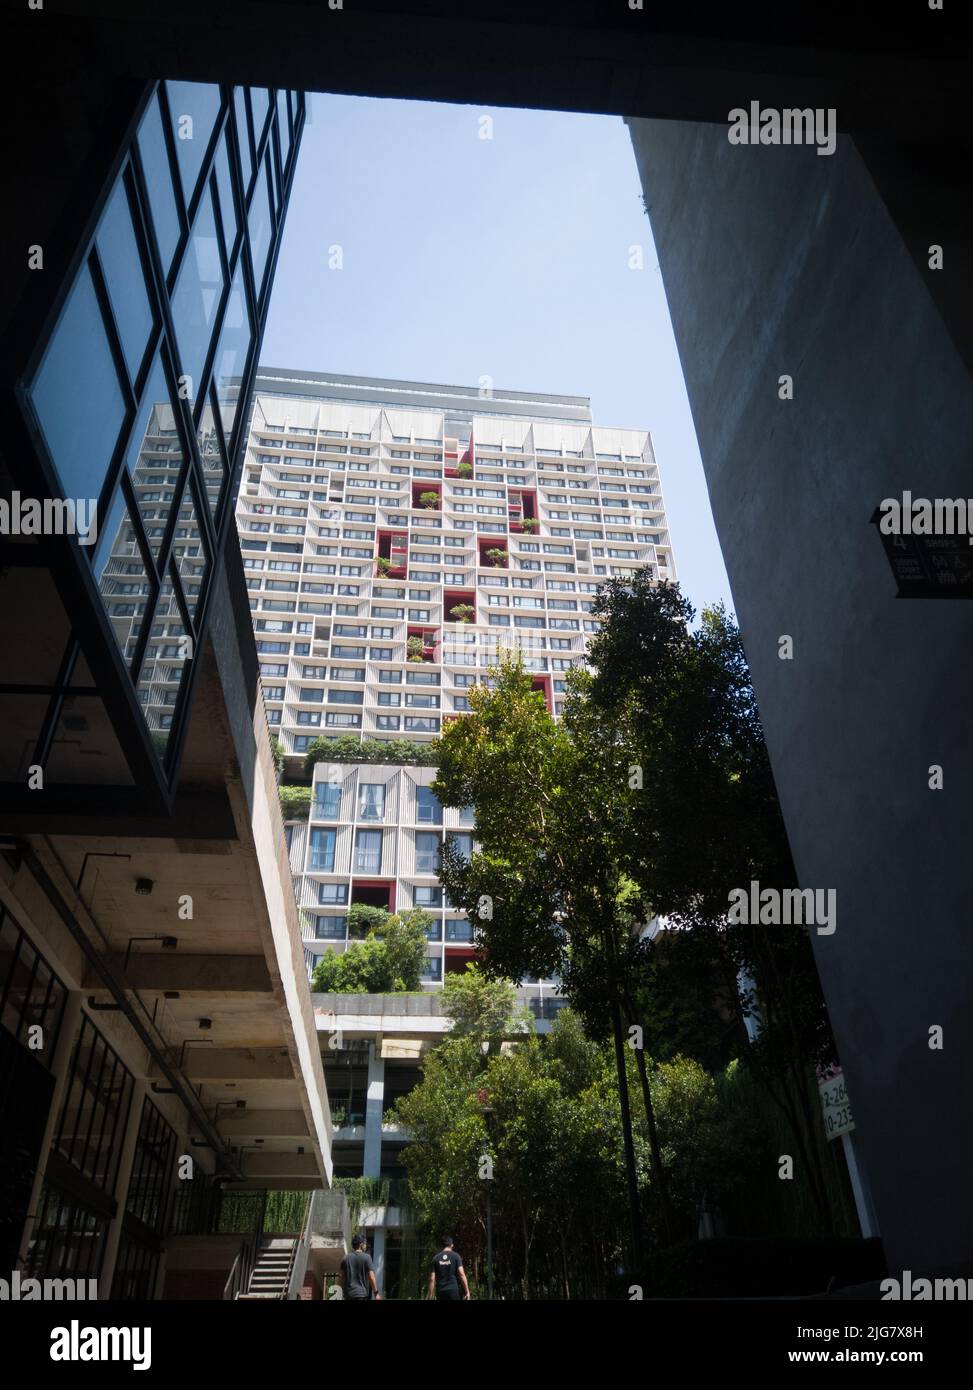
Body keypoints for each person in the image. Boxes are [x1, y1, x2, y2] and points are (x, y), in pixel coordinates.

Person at [339, 1235, 380, 1301]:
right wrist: (376, 1293)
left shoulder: (346, 1258)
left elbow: (341, 1278)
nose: (366, 1246)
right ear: (361, 1244)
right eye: (365, 1244)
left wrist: (339, 1292)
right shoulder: (367, 1257)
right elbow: (371, 1277)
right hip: (361, 1295)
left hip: (348, 1295)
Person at [427, 1237, 470, 1301]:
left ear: (442, 1245)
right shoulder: (456, 1256)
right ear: (452, 1245)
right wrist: (467, 1291)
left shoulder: (435, 1258)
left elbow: (432, 1279)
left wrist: (429, 1296)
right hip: (453, 1290)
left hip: (440, 1291)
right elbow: (461, 1274)